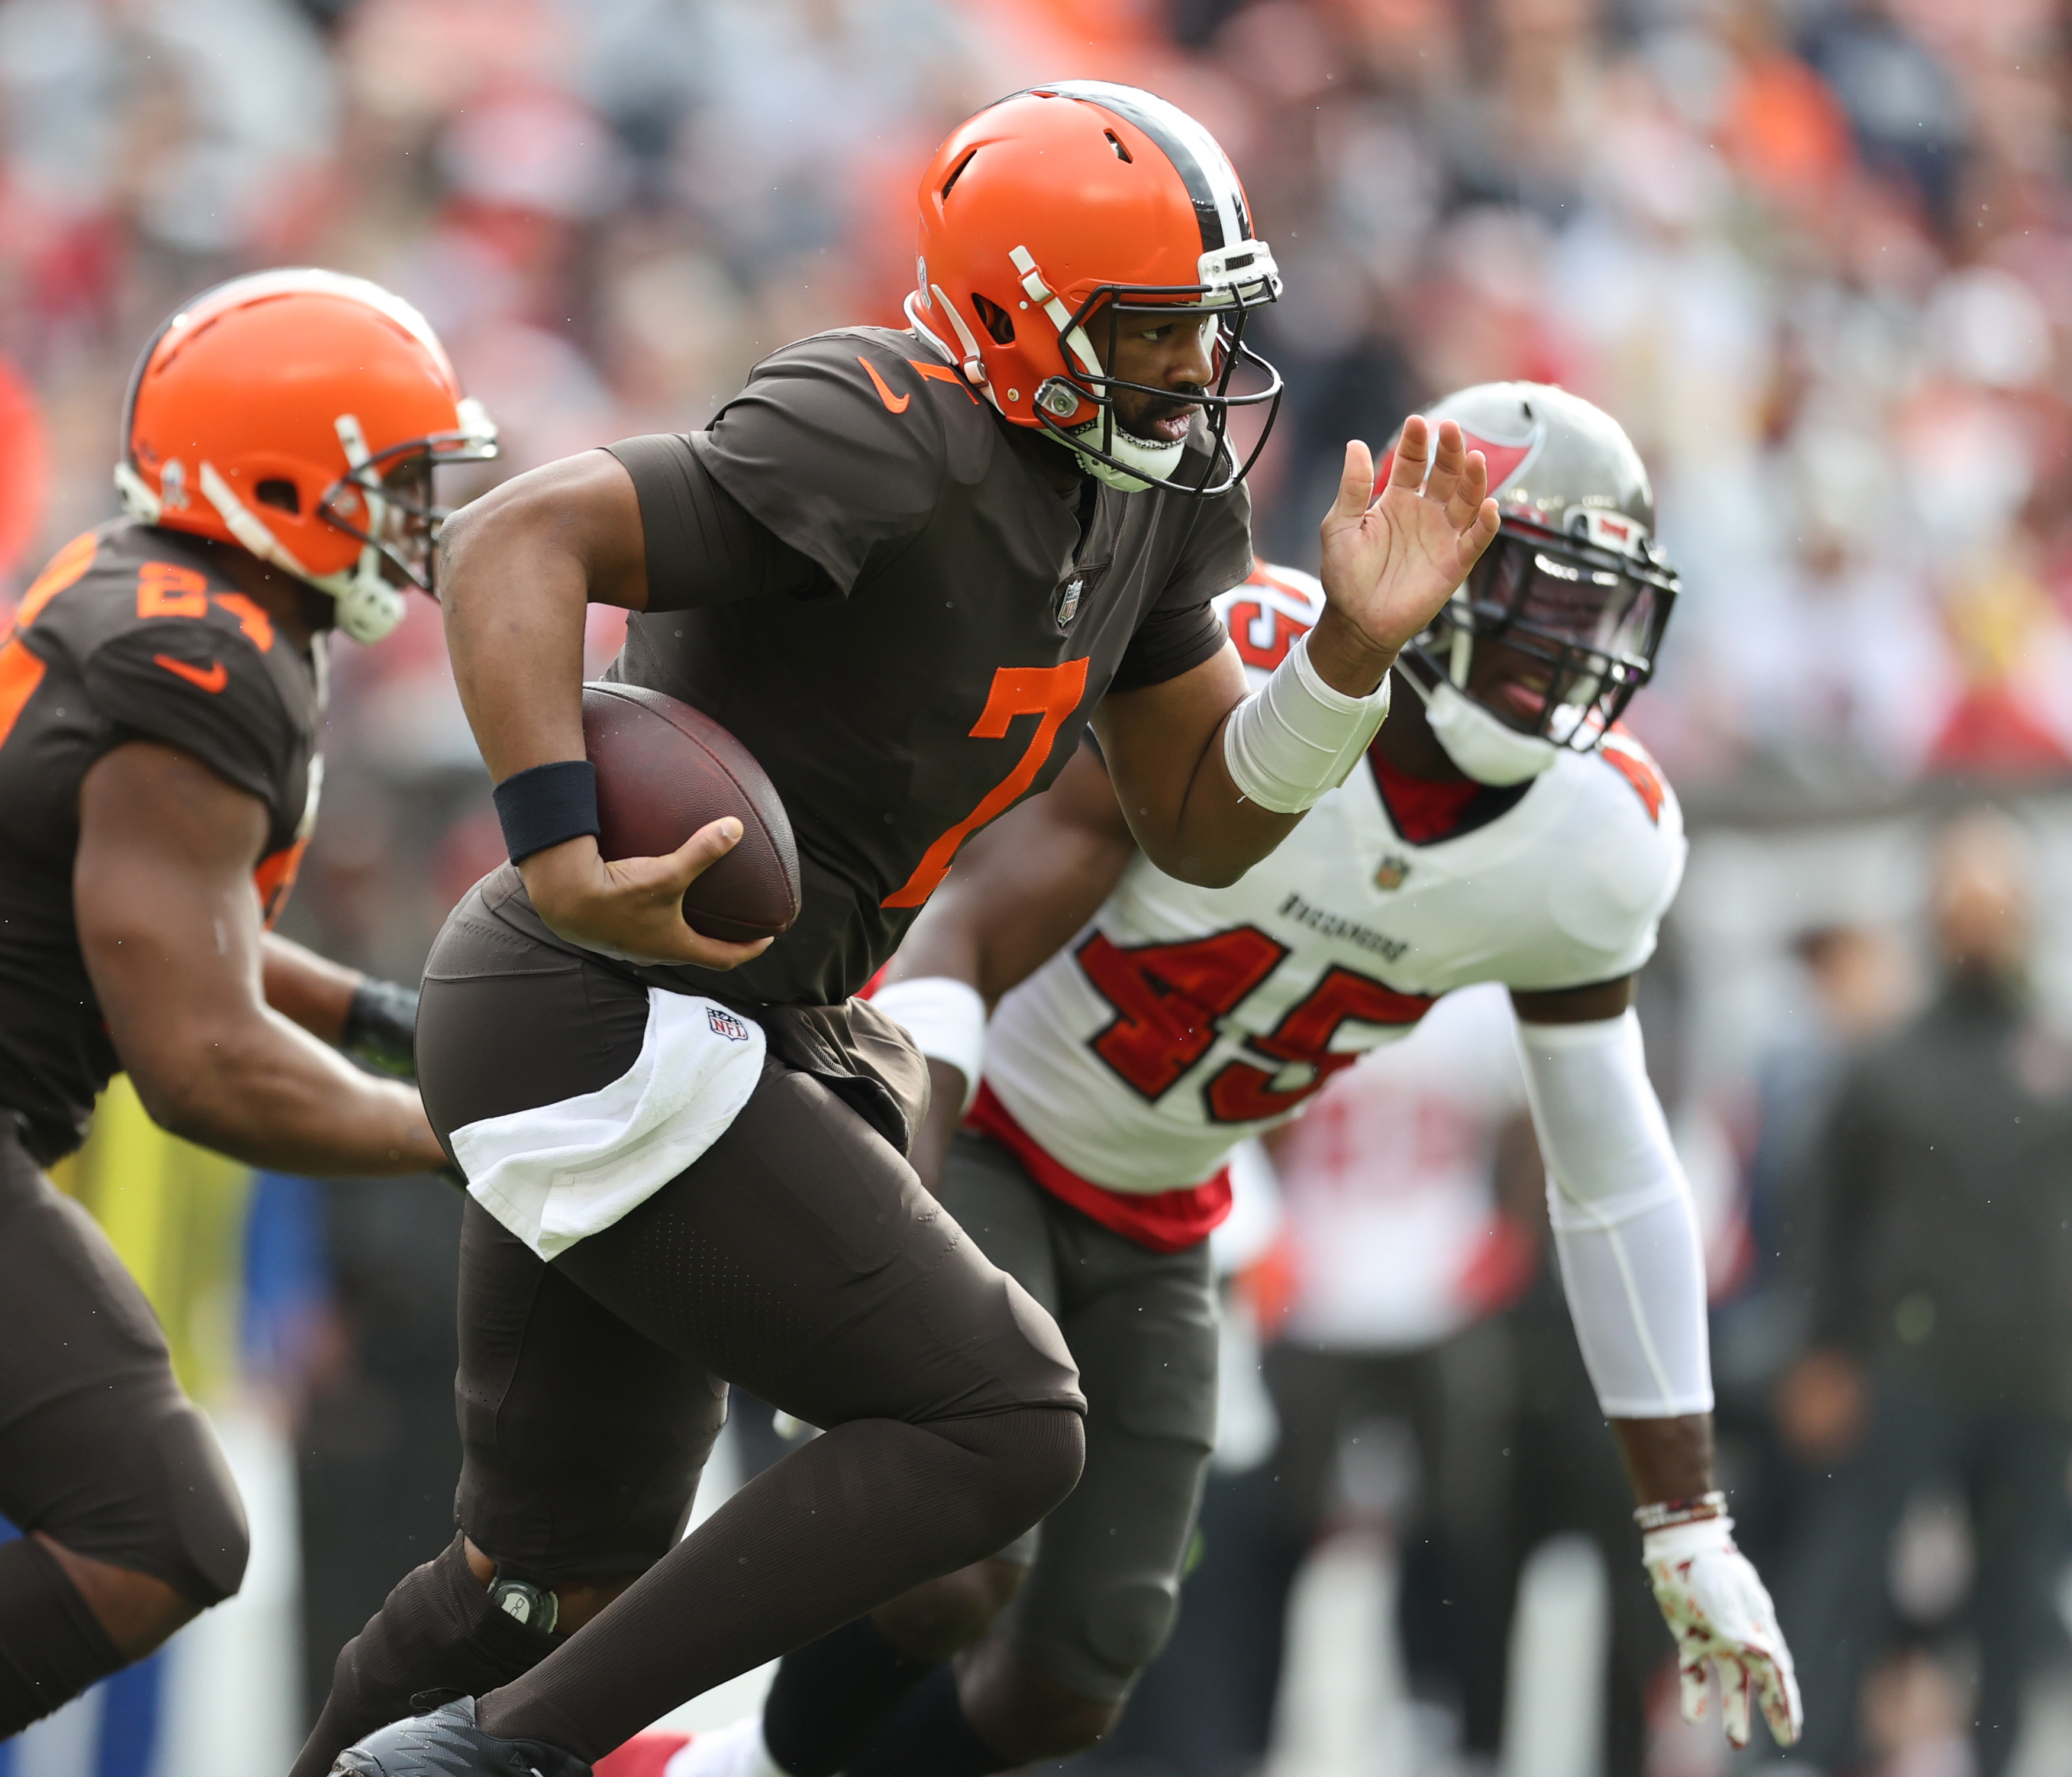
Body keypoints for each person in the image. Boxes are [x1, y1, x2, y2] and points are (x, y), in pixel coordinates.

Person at [307, 81, 1499, 1777]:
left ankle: (465, 1734)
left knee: (538, 1587)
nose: (1190, 371)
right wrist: (557, 843)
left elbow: (1197, 817)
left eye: (1202, 328)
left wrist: (1344, 665)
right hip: (597, 991)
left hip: (735, 1025)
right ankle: (511, 1758)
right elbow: (519, 536)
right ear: (1021, 312)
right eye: (1153, 331)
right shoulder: (885, 418)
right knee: (1002, 1416)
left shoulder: (1149, 499)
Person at [654, 381, 1801, 1777]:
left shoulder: (1594, 839)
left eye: (1596, 607)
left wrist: (1687, 1523)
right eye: (1541, 595)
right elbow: (969, 930)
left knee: (1075, 1679)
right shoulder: (1237, 657)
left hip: (1164, 1201)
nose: (1570, 645)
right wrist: (890, 1206)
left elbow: (1612, 1170)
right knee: (949, 1562)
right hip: (993, 1130)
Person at [0, 268, 494, 1737]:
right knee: (162, 1524)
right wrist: (463, 1131)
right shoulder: (200, 658)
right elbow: (204, 1062)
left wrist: (394, 1018)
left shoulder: (143, 582)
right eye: (392, 481)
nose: (419, 519)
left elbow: (165, 911)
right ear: (285, 474)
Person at [1771, 810, 2072, 1777]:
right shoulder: (1882, 1065)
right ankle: (1800, 1757)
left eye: (1996, 901)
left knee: (2011, 1600)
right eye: (1963, 900)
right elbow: (1821, 1223)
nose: (1980, 920)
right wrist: (1817, 1353)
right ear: (1934, 917)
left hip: (2032, 1376)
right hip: (1900, 1370)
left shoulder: (2057, 1061)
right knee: (1845, 1579)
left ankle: (2003, 1761)